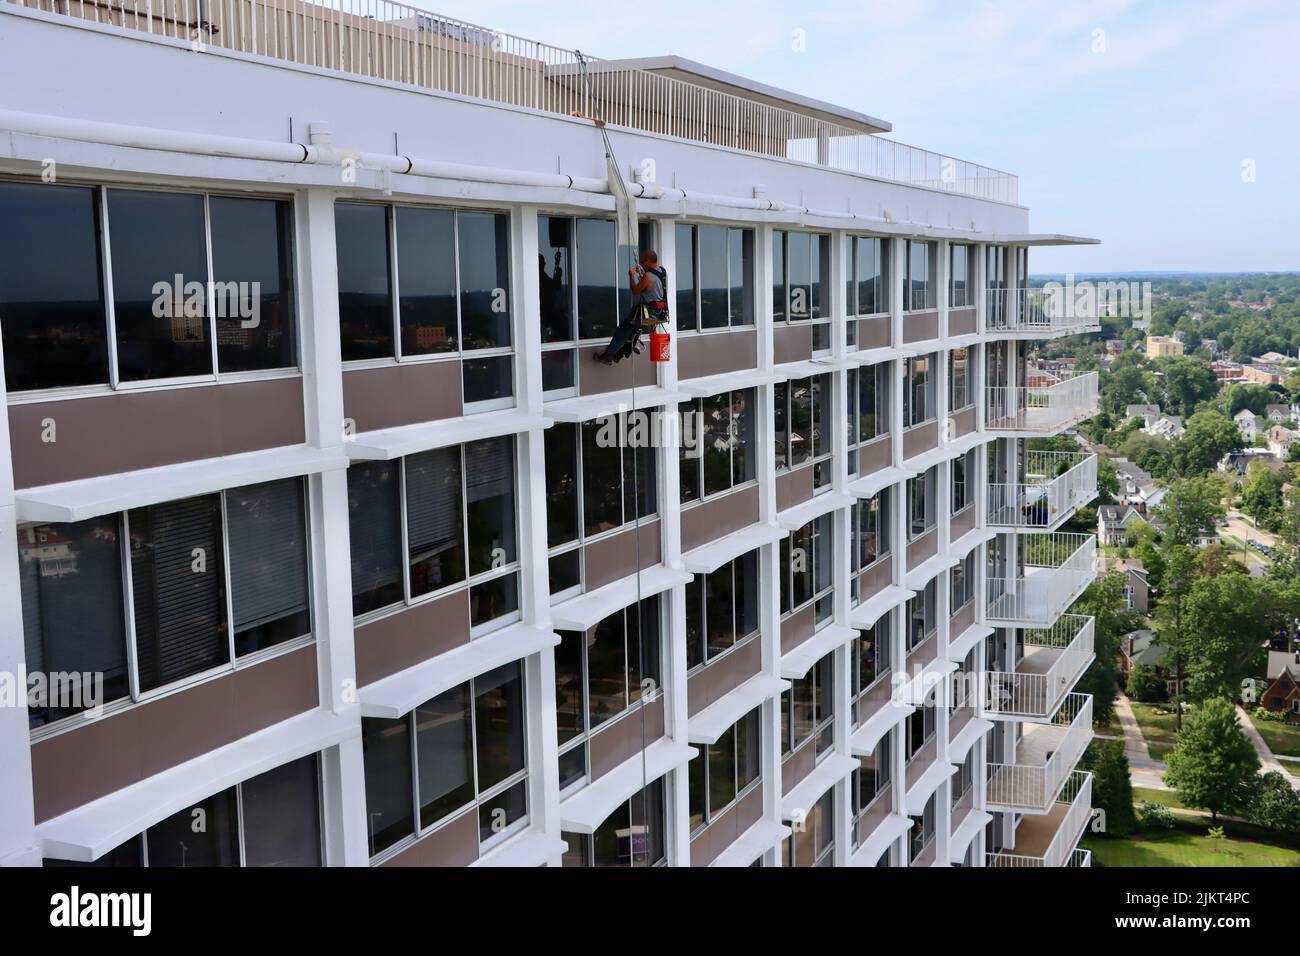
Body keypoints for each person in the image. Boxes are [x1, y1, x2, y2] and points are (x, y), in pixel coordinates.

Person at [594, 249, 667, 365]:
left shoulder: (647, 277)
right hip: (660, 312)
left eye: (643, 262)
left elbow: (635, 290)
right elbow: (651, 286)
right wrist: (643, 273)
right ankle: (619, 354)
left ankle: (609, 355)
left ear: (648, 261)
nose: (642, 264)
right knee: (632, 329)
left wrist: (632, 276)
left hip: (649, 312)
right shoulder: (662, 271)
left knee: (623, 328)